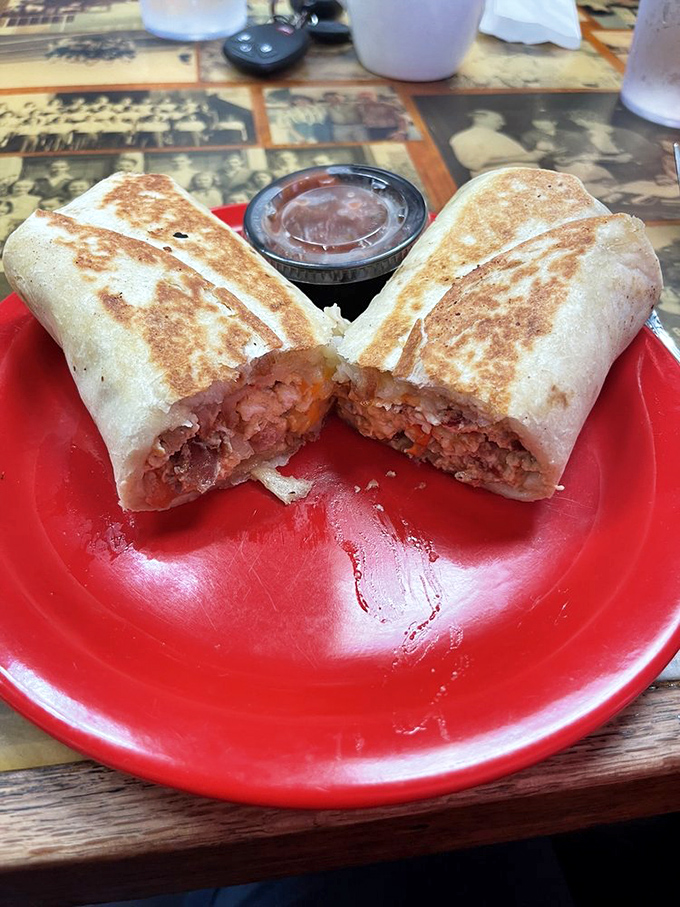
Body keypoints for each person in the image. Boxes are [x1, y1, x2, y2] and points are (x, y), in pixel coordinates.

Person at [449, 109, 543, 177]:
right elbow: (474, 163)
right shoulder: (464, 137)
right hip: (500, 183)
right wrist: (527, 157)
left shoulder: (496, 135)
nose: (503, 123)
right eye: (498, 120)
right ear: (479, 118)